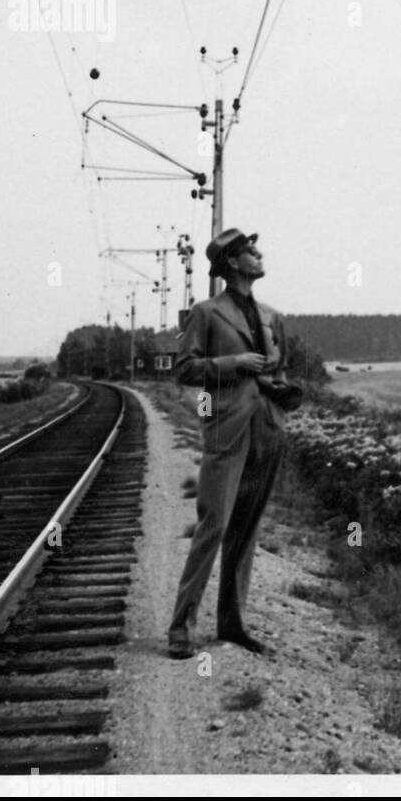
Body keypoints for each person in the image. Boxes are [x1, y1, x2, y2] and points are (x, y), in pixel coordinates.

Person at [167, 229, 303, 659]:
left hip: (266, 426)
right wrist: (235, 363)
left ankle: (233, 625)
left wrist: (280, 392)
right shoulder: (205, 313)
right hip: (226, 428)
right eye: (250, 250)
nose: (260, 254)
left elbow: (277, 369)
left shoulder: (270, 315)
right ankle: (181, 628)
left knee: (247, 530)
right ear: (232, 262)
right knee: (214, 525)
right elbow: (185, 369)